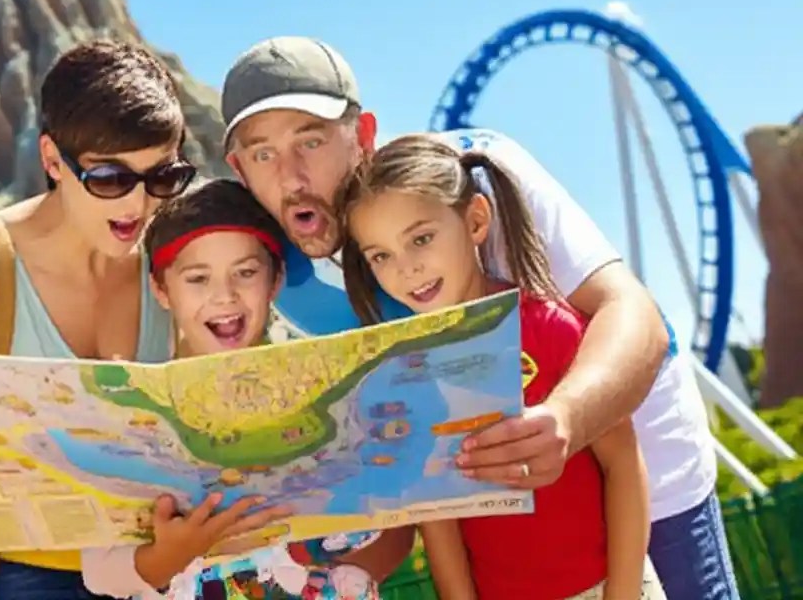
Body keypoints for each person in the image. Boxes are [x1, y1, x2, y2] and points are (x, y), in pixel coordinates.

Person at [218, 36, 737, 599]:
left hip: (650, 487)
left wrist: (565, 418)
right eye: (263, 154)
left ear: (363, 135)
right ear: (240, 170)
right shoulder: (283, 279)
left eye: (310, 141)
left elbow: (634, 316)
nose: (291, 176)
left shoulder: (470, 177)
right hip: (513, 555)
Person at [0, 39, 286, 600]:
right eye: (109, 179)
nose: (135, 205)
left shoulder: (173, 265)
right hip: (0, 576)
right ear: (53, 160)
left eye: (160, 178)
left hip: (150, 571)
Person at [338, 133, 664, 599]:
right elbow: (440, 521)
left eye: (422, 239)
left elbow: (624, 465)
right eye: (381, 256)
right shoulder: (407, 375)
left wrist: (624, 592)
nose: (406, 269)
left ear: (474, 221)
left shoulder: (551, 327)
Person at [81, 177, 384, 599]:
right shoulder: (131, 413)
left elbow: (386, 529)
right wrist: (173, 555)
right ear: (161, 289)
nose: (224, 296)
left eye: (244, 273)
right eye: (198, 278)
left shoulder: (330, 394)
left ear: (276, 279)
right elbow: (98, 574)